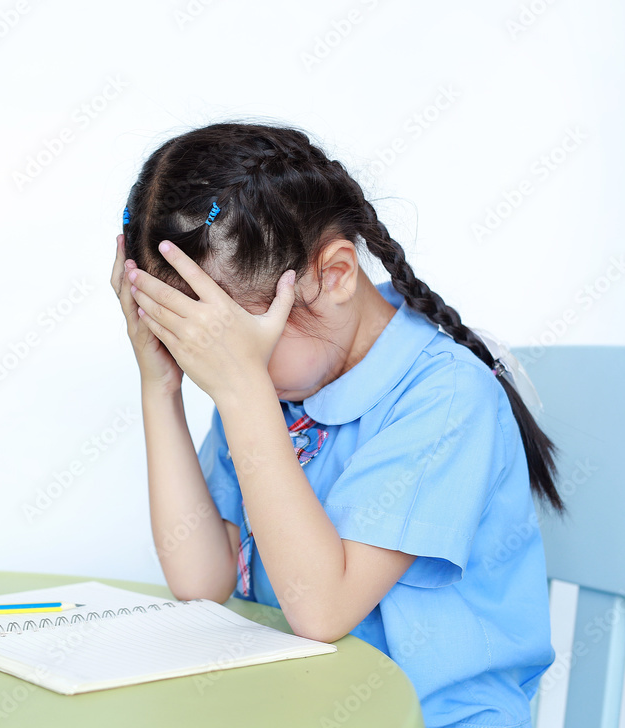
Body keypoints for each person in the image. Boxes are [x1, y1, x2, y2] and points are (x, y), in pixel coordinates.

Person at [109, 121, 563, 728]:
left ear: (337, 275)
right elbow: (201, 579)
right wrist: (159, 384)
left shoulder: (445, 396)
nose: (215, 371)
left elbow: (321, 609)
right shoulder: (265, 381)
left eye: (228, 347)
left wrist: (242, 387)